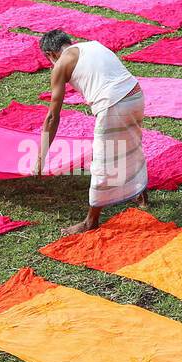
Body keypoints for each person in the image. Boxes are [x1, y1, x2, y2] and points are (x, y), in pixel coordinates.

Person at [38, 29, 147, 233]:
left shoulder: (60, 64)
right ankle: (141, 195)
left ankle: (91, 222)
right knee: (131, 144)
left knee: (102, 161)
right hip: (136, 95)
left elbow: (53, 115)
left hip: (113, 104)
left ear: (50, 55)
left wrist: (41, 155)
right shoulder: (94, 45)